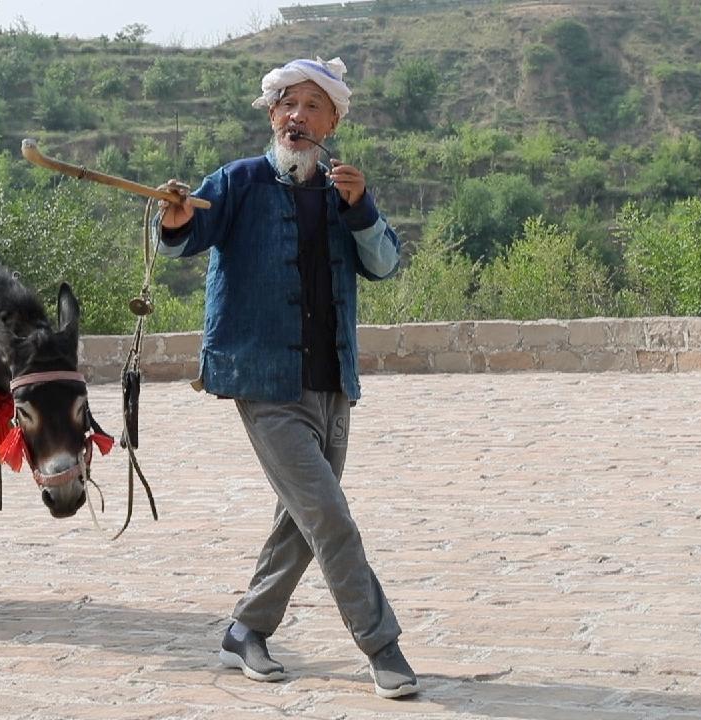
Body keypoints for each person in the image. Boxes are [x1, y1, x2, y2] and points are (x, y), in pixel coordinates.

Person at [155, 57, 417, 699]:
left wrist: (361, 208)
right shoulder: (238, 181)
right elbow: (186, 237)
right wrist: (175, 217)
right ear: (273, 115)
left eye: (312, 106)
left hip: (332, 383)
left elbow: (384, 264)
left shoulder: (343, 189)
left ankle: (245, 629)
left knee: (301, 520)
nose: (297, 116)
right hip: (264, 381)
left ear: (332, 121)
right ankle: (382, 646)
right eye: (287, 105)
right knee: (329, 517)